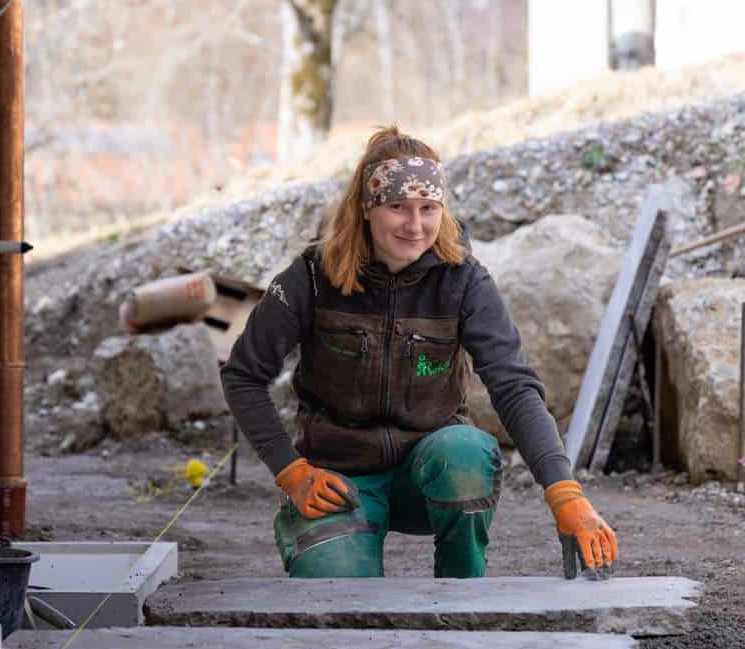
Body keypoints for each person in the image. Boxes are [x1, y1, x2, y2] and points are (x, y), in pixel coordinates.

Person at [220, 126, 617, 579]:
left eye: (428, 208)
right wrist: (291, 472)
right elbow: (242, 374)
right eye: (397, 208)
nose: (415, 226)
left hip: (429, 475)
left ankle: (463, 598)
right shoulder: (311, 276)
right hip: (338, 482)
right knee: (334, 604)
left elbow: (514, 386)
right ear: (367, 209)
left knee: (466, 452)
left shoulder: (463, 280)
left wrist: (565, 493)